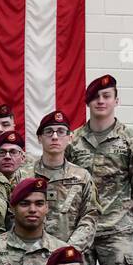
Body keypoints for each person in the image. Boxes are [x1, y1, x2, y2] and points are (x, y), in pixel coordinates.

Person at [65, 74, 133, 265]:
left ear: (117, 100)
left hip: (116, 232)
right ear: (87, 103)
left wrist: (128, 216)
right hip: (80, 229)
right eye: (95, 97)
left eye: (107, 96)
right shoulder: (72, 142)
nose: (101, 101)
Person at [25, 110, 99, 257]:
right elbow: (13, 215)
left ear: (70, 137)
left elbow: (90, 217)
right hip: (30, 254)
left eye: (60, 132)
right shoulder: (24, 175)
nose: (54, 137)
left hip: (70, 256)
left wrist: (69, 250)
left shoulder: (82, 177)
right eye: (49, 132)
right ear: (39, 138)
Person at [0, 176, 65, 265]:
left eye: (39, 204)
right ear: (12, 208)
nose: (32, 209)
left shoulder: (61, 252)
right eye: (25, 204)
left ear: (47, 207)